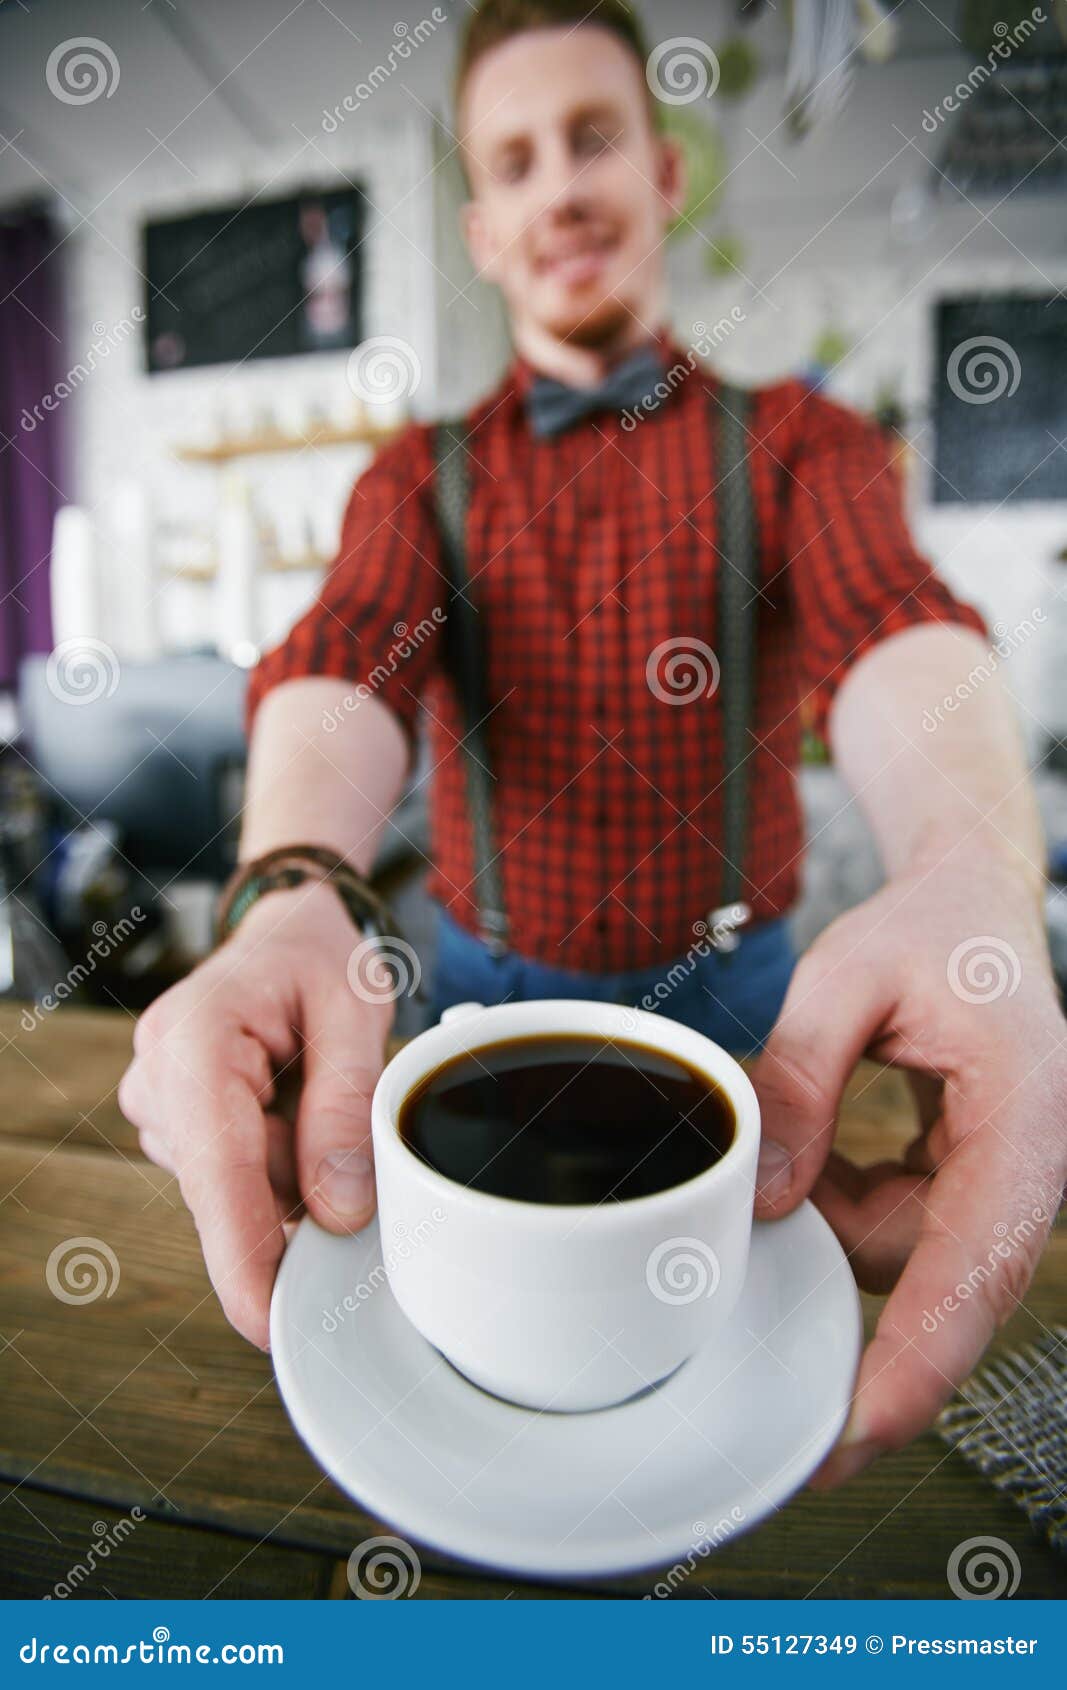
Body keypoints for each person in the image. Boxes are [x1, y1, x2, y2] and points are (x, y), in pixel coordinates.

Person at [120, 0, 1066, 1490]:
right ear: (482, 230)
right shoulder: (415, 483)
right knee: (487, 1368)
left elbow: (896, 623)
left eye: (594, 139)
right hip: (482, 1002)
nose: (560, 187)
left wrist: (977, 874)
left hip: (744, 1001)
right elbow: (344, 656)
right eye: (515, 162)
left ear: (664, 175)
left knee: (724, 1375)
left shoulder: (803, 446)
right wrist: (290, 882)